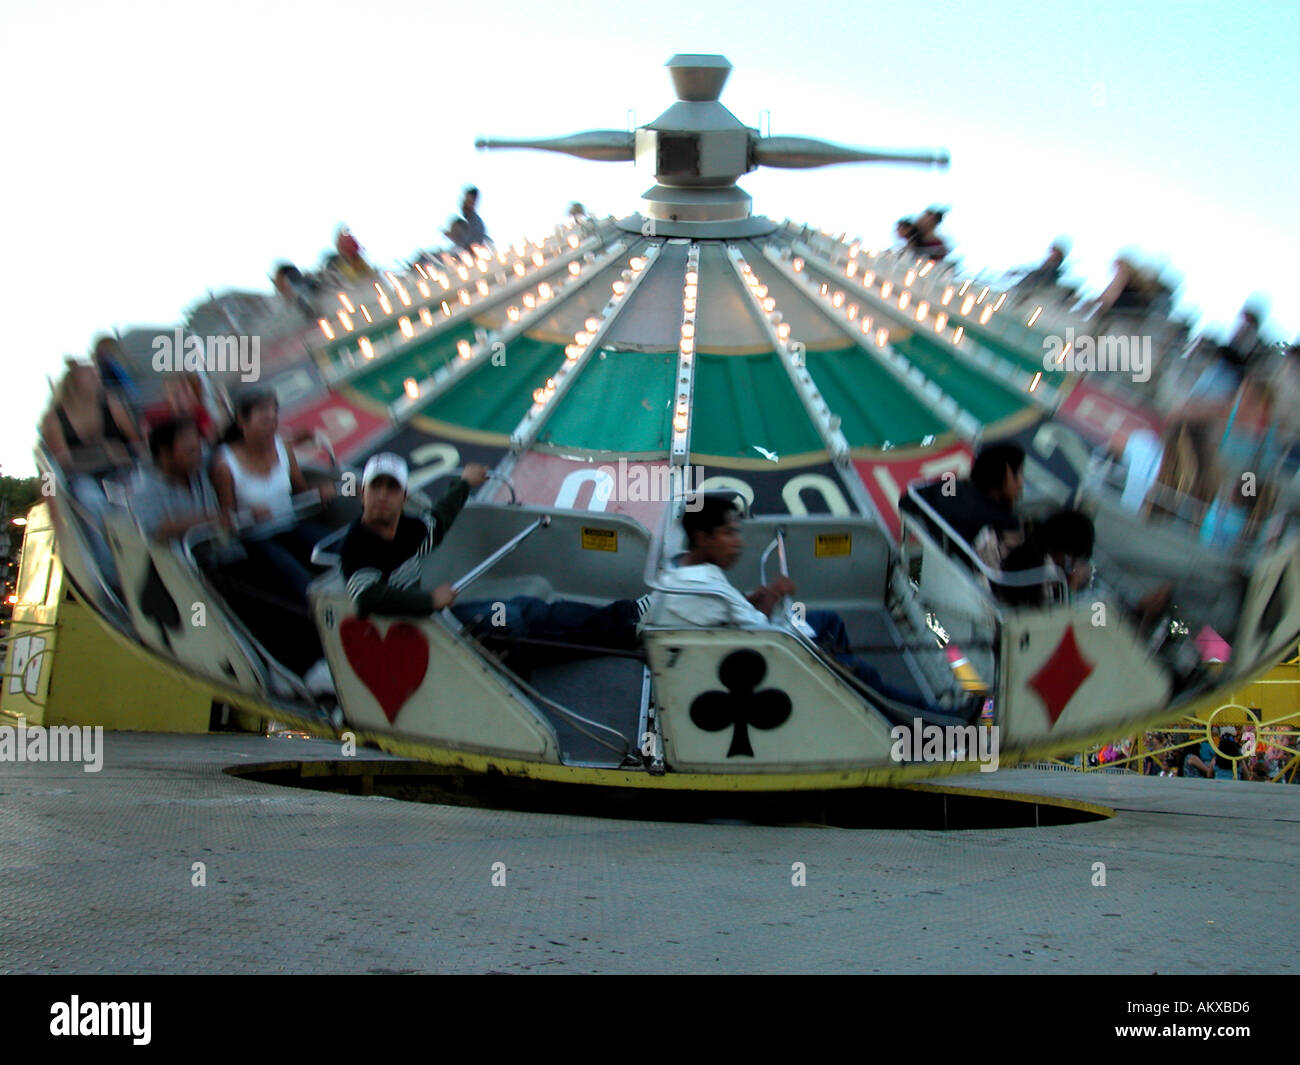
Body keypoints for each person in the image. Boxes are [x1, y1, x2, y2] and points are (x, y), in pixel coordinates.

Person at [642, 493, 974, 718]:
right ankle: (936, 721)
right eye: (730, 533)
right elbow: (761, 638)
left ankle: (841, 690)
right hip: (764, 661)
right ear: (702, 537)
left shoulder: (679, 572)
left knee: (827, 620)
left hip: (738, 647)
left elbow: (726, 617)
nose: (738, 542)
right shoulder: (705, 590)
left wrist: (749, 599)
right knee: (865, 673)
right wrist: (773, 593)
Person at [339, 454, 645, 658]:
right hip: (409, 634)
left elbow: (439, 520)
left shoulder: (407, 529)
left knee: (529, 608)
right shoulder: (357, 544)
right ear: (362, 492)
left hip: (430, 620)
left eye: (391, 488)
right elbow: (368, 597)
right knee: (510, 622)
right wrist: (429, 601)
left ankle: (627, 614)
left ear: (404, 497)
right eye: (375, 487)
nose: (382, 495)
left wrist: (464, 483)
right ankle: (621, 633)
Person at [210, 389, 335, 601]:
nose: (271, 429)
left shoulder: (283, 447)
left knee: (337, 544)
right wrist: (249, 515)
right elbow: (226, 518)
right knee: (295, 575)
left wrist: (321, 493)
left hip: (290, 525)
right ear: (243, 422)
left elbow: (300, 490)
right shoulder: (225, 464)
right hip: (256, 538)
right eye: (263, 422)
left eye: (274, 420)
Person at [129, 416, 226, 542]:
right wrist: (212, 519)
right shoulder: (142, 488)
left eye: (199, 449)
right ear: (165, 453)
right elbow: (154, 528)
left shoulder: (200, 464)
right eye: (190, 451)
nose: (199, 456)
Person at [41, 360, 142, 478]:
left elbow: (135, 441)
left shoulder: (110, 403)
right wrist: (103, 455)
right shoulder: (54, 420)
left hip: (125, 469)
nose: (97, 380)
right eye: (91, 376)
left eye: (96, 375)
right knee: (86, 489)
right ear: (74, 385)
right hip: (84, 478)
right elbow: (63, 464)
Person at [445, 187, 489, 251]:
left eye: (467, 201)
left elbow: (472, 246)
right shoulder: (469, 222)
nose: (463, 203)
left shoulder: (476, 224)